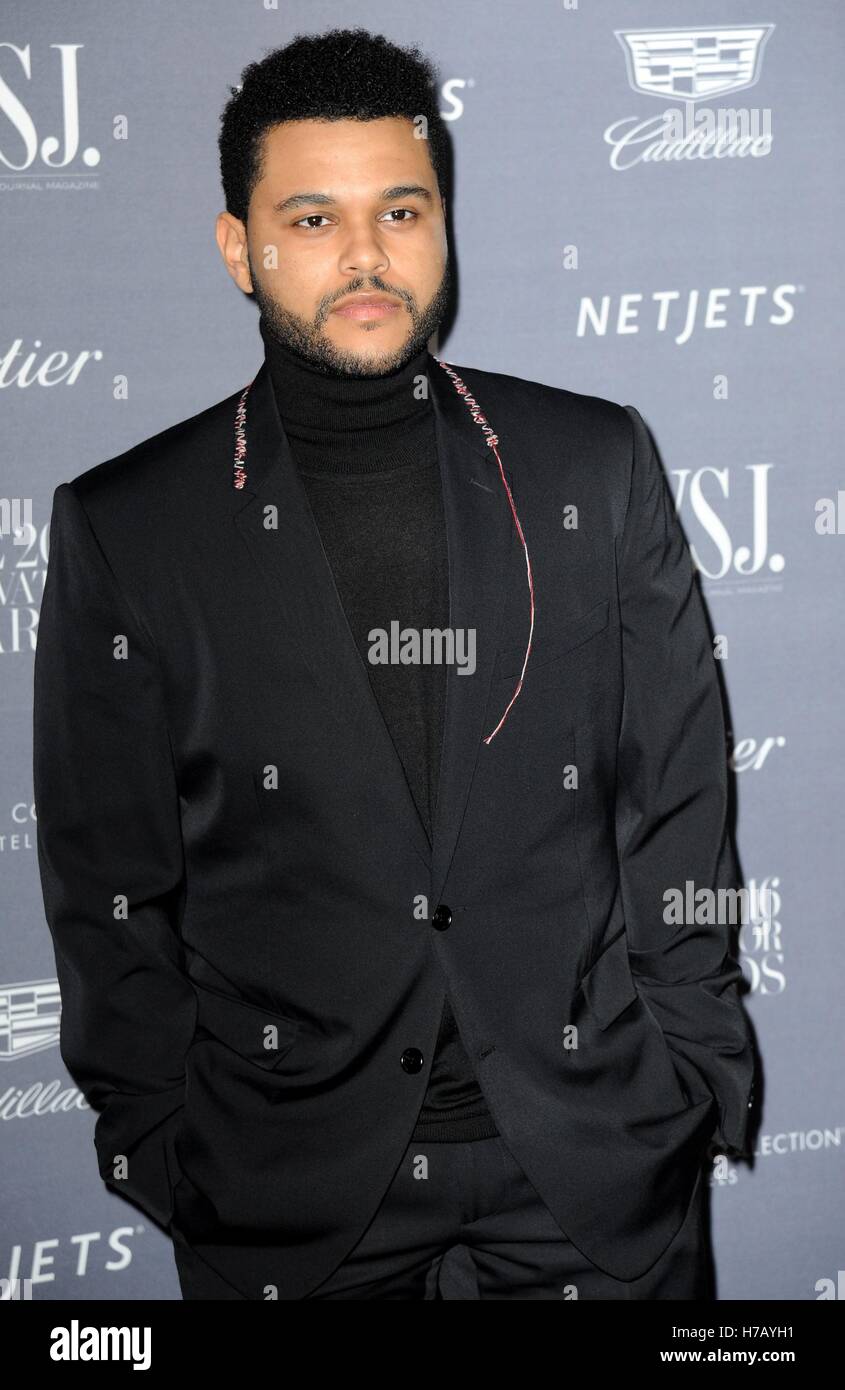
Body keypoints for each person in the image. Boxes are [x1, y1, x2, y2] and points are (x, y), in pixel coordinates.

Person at [33, 27, 755, 1301]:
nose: (365, 256)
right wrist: (160, 1140)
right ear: (236, 247)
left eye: (400, 210)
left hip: (591, 1172)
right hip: (289, 1202)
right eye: (311, 217)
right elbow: (109, 876)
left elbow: (678, 797)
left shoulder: (591, 463)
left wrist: (690, 1070)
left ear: (442, 224)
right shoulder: (133, 524)